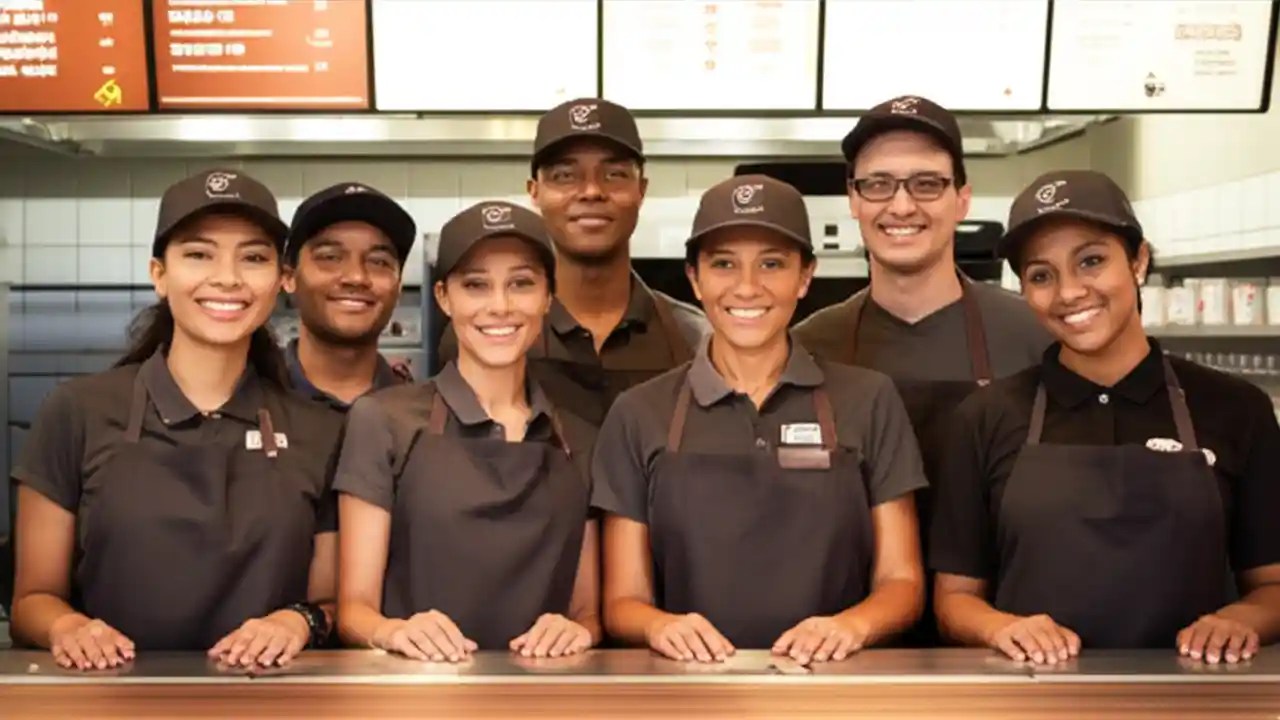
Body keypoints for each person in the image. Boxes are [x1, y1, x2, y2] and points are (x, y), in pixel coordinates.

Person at [931, 170, 1280, 665]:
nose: (1069, 292)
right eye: (1041, 275)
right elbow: (954, 599)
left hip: (1197, 700)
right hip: (1032, 702)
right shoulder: (986, 417)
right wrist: (1002, 628)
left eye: (1091, 261)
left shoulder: (1235, 407)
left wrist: (1242, 620)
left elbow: (1272, 585)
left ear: (1138, 261)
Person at [9, 169, 340, 670]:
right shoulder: (77, 411)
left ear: (282, 281)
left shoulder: (322, 430)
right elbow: (31, 600)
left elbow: (333, 607)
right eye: (198, 254)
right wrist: (69, 626)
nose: (227, 277)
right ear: (159, 274)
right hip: (111, 700)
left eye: (252, 257)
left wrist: (296, 621)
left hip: (270, 700)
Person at [592, 175, 928, 664]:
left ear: (805, 276)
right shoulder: (639, 412)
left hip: (835, 689)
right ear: (694, 277)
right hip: (688, 693)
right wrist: (661, 626)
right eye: (724, 264)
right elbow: (622, 601)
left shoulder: (869, 399)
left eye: (772, 264)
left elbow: (903, 581)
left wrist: (851, 626)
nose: (747, 287)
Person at [791, 94, 1050, 646]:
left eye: (926, 183)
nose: (901, 205)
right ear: (853, 201)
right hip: (842, 642)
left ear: (962, 200)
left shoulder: (1036, 337)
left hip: (1009, 641)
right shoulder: (808, 346)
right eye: (878, 184)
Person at [335, 200, 600, 662]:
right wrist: (394, 632)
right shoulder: (382, 420)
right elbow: (354, 611)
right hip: (418, 698)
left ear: (547, 298)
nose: (499, 306)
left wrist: (577, 630)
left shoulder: (581, 437)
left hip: (548, 695)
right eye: (476, 285)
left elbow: (588, 611)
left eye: (521, 284)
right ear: (443, 297)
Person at [438, 98, 708, 428]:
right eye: (565, 175)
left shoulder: (695, 337)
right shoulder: (486, 334)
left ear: (641, 190)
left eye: (614, 174)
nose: (591, 191)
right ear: (534, 192)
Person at [283, 182, 417, 410]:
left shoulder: (424, 418)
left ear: (398, 285)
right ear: (289, 277)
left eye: (378, 261)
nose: (356, 277)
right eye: (330, 257)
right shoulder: (242, 405)